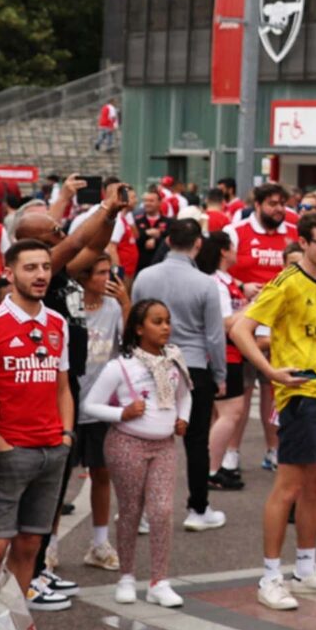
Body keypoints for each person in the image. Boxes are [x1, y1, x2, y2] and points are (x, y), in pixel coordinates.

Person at [227, 212, 316, 612]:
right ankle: (270, 577)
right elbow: (240, 329)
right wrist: (269, 372)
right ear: (303, 243)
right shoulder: (285, 283)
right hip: (300, 397)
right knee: (288, 487)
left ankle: (305, 569)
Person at [0, 239, 74, 620]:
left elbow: (62, 386)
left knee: (29, 545)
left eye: (46, 267)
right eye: (30, 268)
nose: (41, 275)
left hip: (51, 449)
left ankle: (13, 626)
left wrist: (66, 436)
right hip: (5, 452)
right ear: (8, 273)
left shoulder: (57, 322)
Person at [80, 298, 193, 608]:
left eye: (167, 321)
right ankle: (126, 577)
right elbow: (90, 405)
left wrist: (183, 418)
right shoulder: (120, 366)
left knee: (162, 511)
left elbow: (185, 395)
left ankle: (159, 581)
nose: (166, 327)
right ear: (139, 329)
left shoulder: (174, 359)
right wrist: (123, 413)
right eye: (157, 322)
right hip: (127, 444)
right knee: (130, 510)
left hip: (164, 446)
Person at [130, 217, 231, 533]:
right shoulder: (205, 283)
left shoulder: (145, 276)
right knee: (197, 440)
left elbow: (134, 322)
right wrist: (220, 373)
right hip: (193, 364)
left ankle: (140, 512)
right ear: (198, 244)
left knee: (146, 438)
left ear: (168, 241)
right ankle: (197, 508)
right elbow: (214, 335)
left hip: (152, 362)